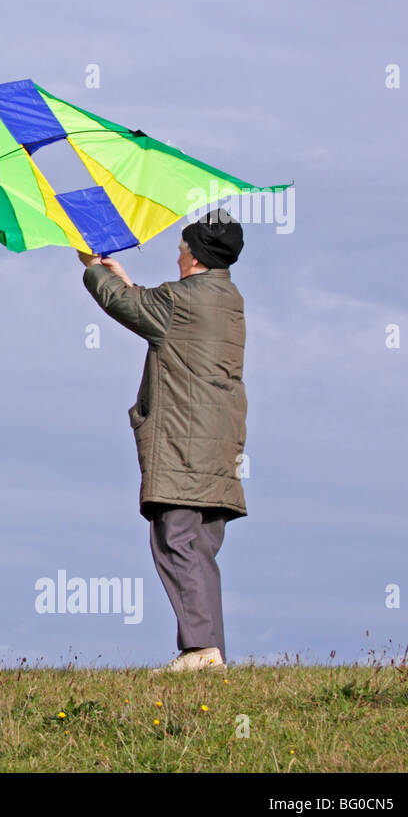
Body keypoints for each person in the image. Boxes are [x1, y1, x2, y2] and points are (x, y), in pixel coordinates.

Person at [79, 209, 247, 673]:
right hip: (219, 446)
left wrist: (92, 267)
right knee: (199, 547)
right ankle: (208, 651)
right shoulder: (228, 299)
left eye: (180, 248)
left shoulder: (180, 301)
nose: (177, 255)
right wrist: (125, 279)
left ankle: (200, 649)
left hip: (182, 444)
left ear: (194, 257)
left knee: (175, 539)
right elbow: (154, 307)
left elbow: (127, 306)